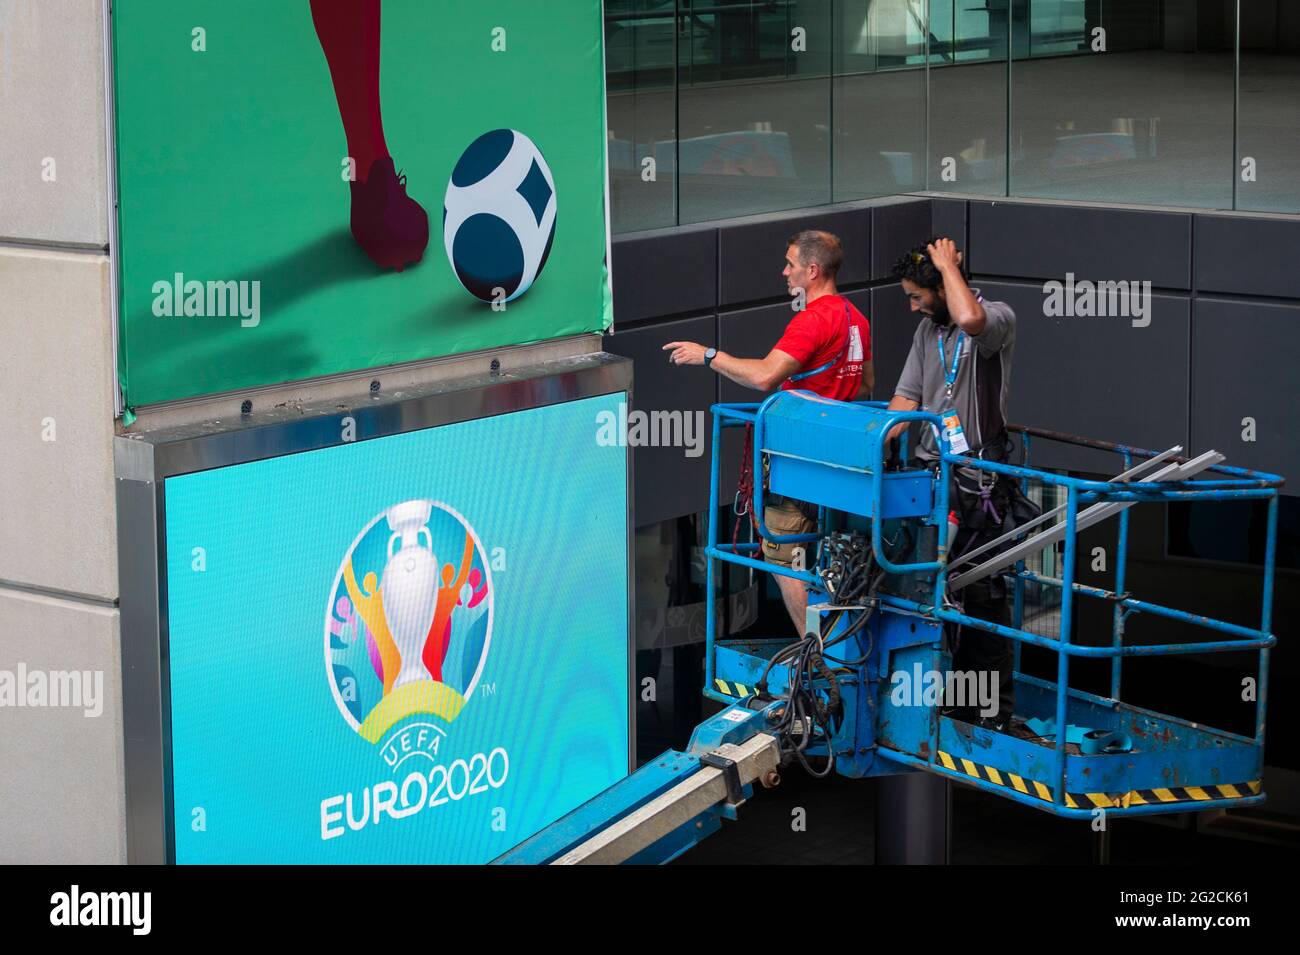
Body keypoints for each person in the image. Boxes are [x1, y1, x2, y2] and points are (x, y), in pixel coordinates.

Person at [664, 230, 873, 633]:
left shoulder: (813, 320)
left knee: (782, 552)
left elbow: (764, 377)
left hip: (800, 458)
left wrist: (708, 355)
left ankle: (818, 650)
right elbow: (864, 386)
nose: (784, 271)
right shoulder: (856, 319)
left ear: (812, 271)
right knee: (830, 547)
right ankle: (835, 641)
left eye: (791, 264)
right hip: (839, 457)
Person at [885, 236, 1020, 730]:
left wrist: (946, 267)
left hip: (976, 480)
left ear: (944, 285)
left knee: (979, 589)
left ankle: (989, 711)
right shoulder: (927, 334)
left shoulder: (996, 318)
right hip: (931, 475)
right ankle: (933, 695)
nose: (912, 304)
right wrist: (875, 444)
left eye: (918, 294)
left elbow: (970, 320)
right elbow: (905, 398)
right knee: (926, 588)